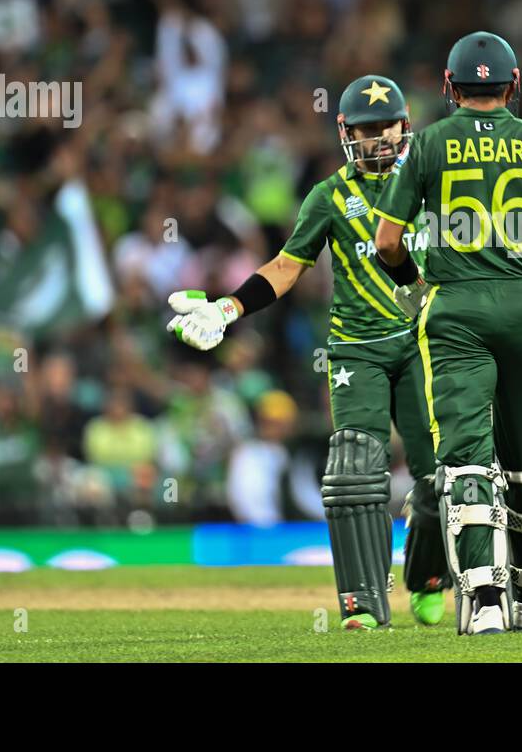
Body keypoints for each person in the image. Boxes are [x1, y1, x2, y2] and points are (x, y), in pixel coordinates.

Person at [165, 75, 450, 631]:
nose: (378, 139)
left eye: (386, 127)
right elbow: (285, 267)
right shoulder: (330, 196)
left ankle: (427, 576)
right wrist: (228, 309)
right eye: (366, 130)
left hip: (423, 345)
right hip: (357, 351)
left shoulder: (432, 186)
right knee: (356, 470)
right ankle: (364, 601)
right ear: (346, 133)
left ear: (405, 127)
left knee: (437, 473)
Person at [372, 31, 522, 634]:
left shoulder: (427, 145)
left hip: (454, 310)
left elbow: (386, 241)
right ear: (514, 85)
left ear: (448, 85)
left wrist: (412, 286)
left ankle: (484, 601)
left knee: (466, 459)